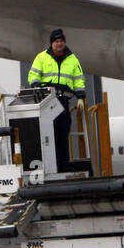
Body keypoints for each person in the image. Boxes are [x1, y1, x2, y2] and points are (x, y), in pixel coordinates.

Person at [28, 28, 86, 170]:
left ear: (64, 42)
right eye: (56, 41)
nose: (59, 44)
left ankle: (62, 165)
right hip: (47, 100)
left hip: (63, 101)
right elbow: (33, 76)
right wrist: (36, 85)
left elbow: (79, 80)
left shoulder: (73, 59)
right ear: (51, 43)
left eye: (61, 41)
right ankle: (48, 166)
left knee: (62, 132)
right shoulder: (41, 57)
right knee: (47, 134)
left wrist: (81, 98)